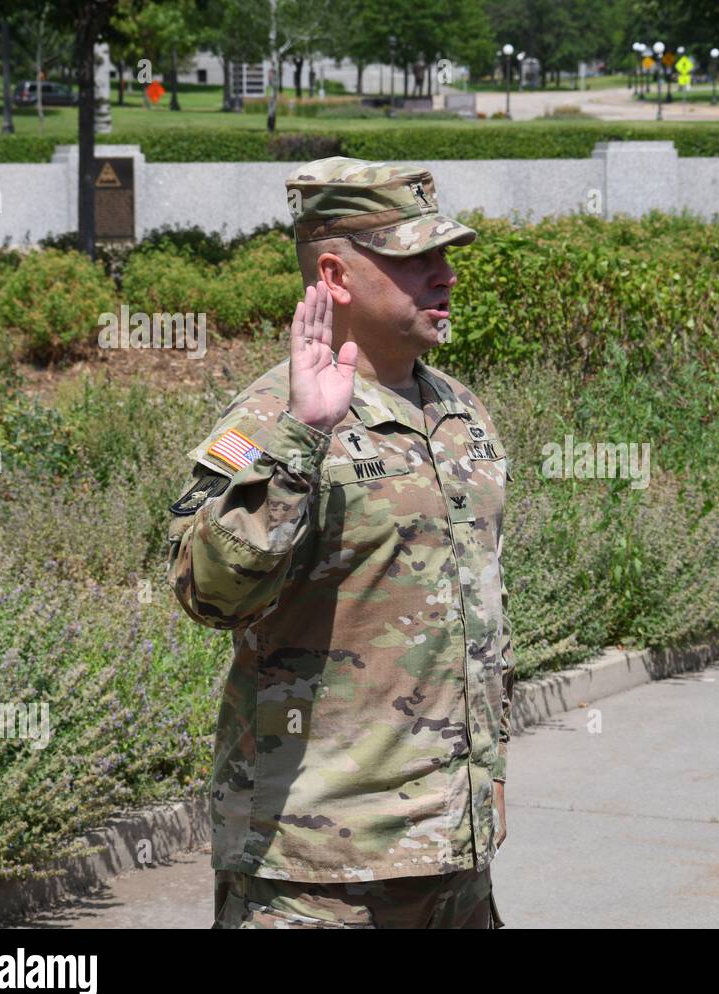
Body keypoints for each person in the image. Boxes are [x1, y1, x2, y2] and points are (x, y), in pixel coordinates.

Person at [166, 157, 515, 929]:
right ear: (336, 273)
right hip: (316, 873)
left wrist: (483, 789)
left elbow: (476, 614)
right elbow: (205, 591)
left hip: (454, 853)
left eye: (445, 253)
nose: (444, 273)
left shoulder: (460, 410)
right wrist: (301, 443)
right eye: (414, 257)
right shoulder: (268, 418)